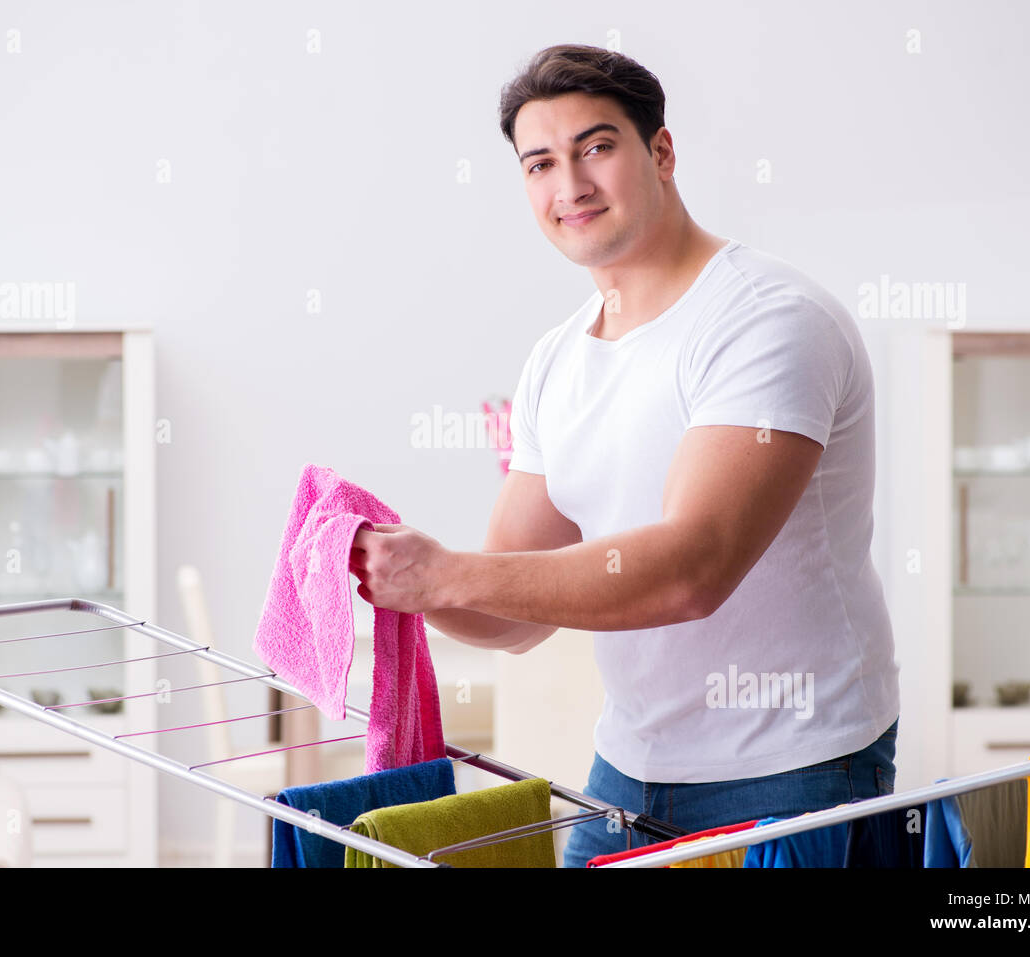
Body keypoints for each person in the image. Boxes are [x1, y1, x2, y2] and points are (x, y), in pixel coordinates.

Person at [348, 43, 900, 868]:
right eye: (540, 163)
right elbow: (508, 610)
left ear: (662, 153)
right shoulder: (557, 360)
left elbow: (693, 568)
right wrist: (380, 569)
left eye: (595, 148)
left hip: (796, 772)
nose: (568, 185)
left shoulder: (768, 320)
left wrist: (442, 573)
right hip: (628, 776)